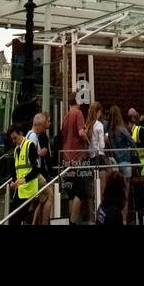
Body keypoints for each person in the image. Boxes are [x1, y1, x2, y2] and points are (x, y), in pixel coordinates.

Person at [58, 94, 88, 224]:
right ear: (77, 102)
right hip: (77, 157)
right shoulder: (78, 113)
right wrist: (88, 140)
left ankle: (71, 220)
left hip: (66, 157)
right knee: (80, 191)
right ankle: (74, 221)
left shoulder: (65, 116)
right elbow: (81, 133)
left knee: (70, 193)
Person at [7, 123, 39, 226]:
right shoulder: (16, 150)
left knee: (17, 218)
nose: (14, 141)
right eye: (12, 139)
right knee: (12, 219)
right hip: (19, 189)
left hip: (29, 189)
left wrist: (24, 179)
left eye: (15, 138)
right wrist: (13, 181)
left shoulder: (30, 146)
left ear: (21, 133)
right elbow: (15, 170)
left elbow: (36, 169)